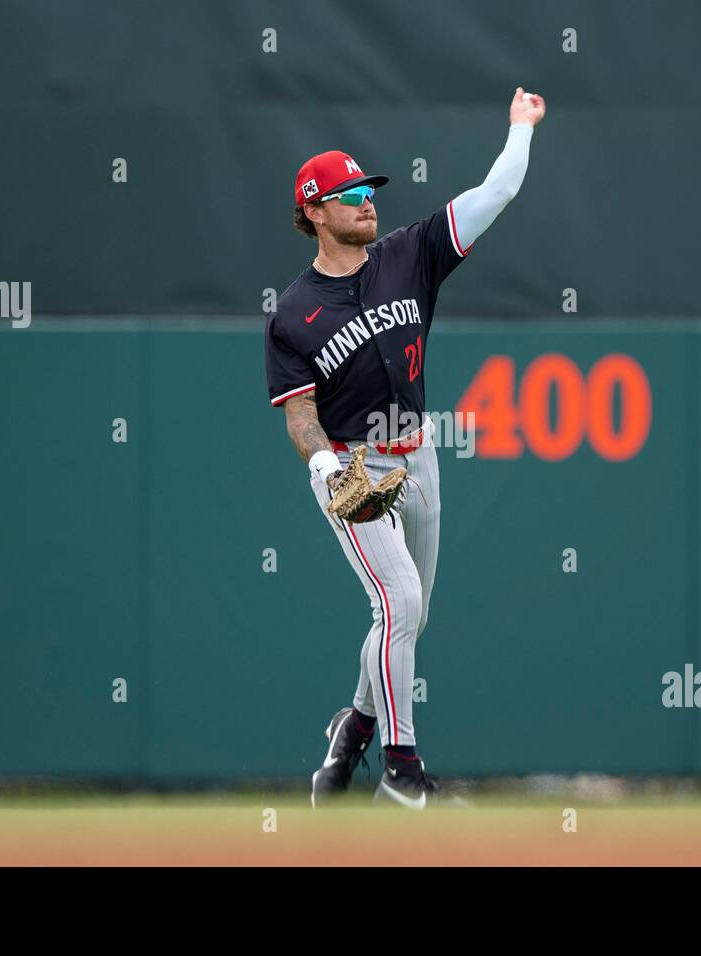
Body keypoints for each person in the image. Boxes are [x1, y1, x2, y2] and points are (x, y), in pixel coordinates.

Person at [264, 87, 546, 808]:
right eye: (349, 192)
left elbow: (498, 191)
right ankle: (402, 767)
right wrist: (326, 467)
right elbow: (300, 418)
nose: (366, 200)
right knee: (399, 600)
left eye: (369, 188)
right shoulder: (293, 315)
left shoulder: (410, 254)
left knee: (411, 614)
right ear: (314, 212)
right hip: (352, 467)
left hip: (419, 457)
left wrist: (519, 128)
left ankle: (354, 726)